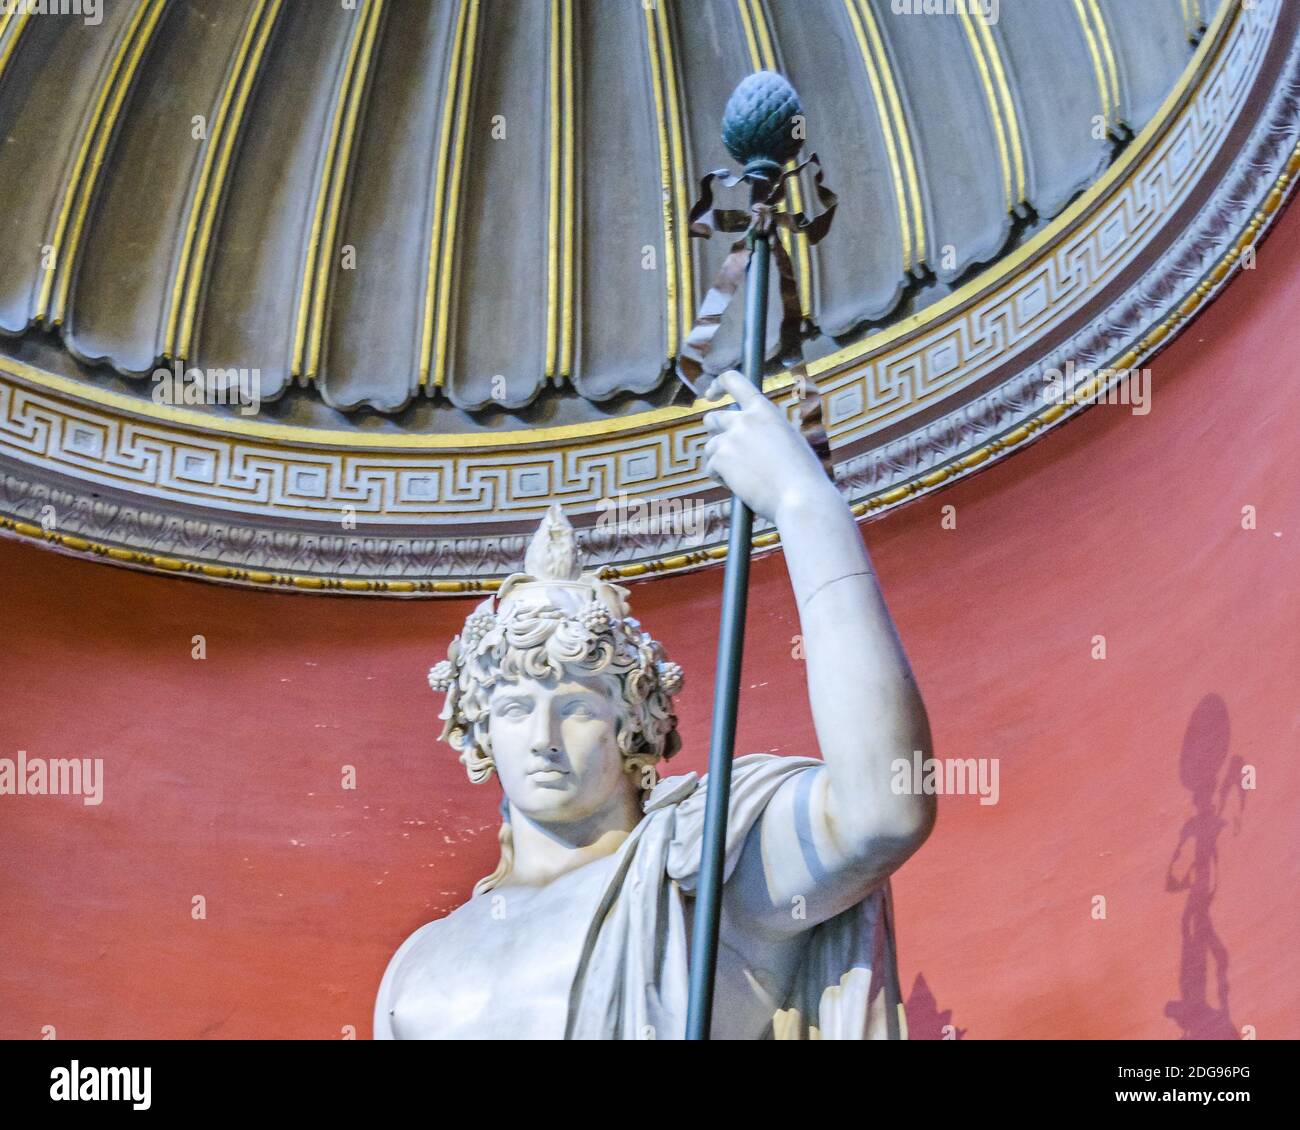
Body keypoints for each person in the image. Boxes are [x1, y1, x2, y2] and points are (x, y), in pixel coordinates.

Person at [375, 371, 934, 1039]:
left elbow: (884, 810)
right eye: (517, 709)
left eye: (578, 706)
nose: (544, 736)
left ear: (633, 725)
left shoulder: (696, 869)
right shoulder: (417, 965)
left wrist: (803, 506)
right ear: (480, 732)